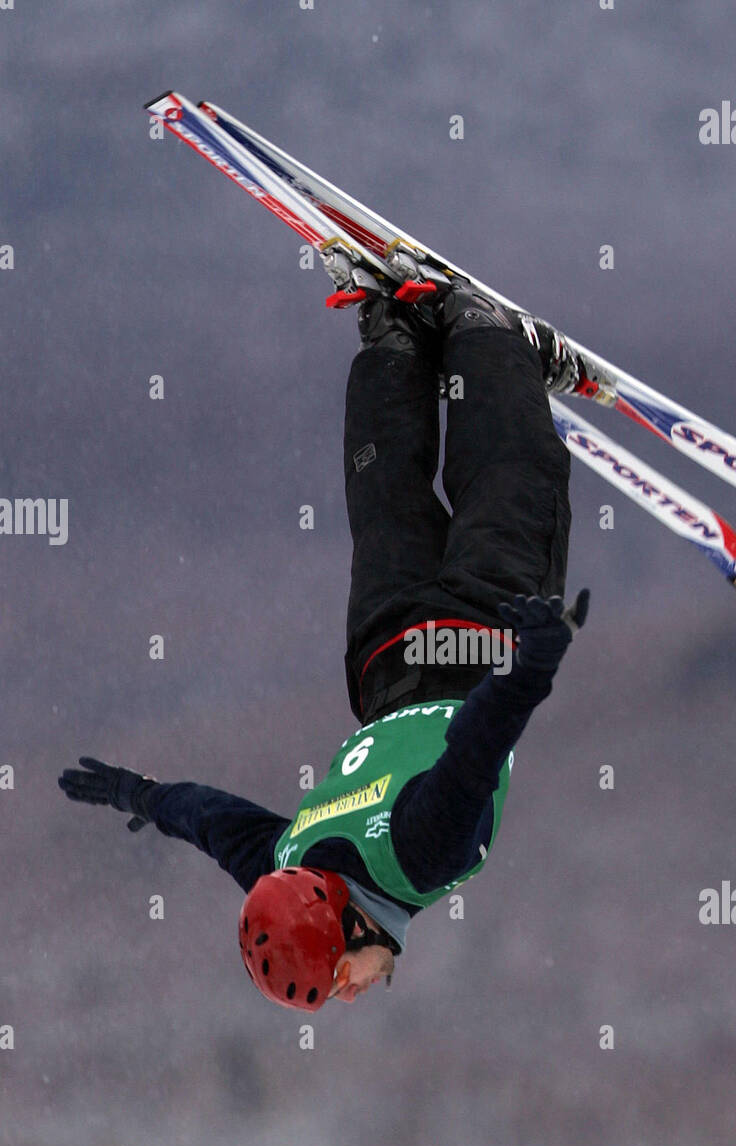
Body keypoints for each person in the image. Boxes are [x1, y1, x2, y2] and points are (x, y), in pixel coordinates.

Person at [59, 278, 589, 1010]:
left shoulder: (417, 860)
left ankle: (491, 335)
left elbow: (473, 751)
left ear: (347, 942)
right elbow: (210, 822)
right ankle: (395, 337)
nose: (351, 993)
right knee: (388, 498)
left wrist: (532, 669)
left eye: (339, 979)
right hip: (384, 647)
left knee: (511, 482)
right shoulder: (286, 861)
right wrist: (140, 795)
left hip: (473, 645)